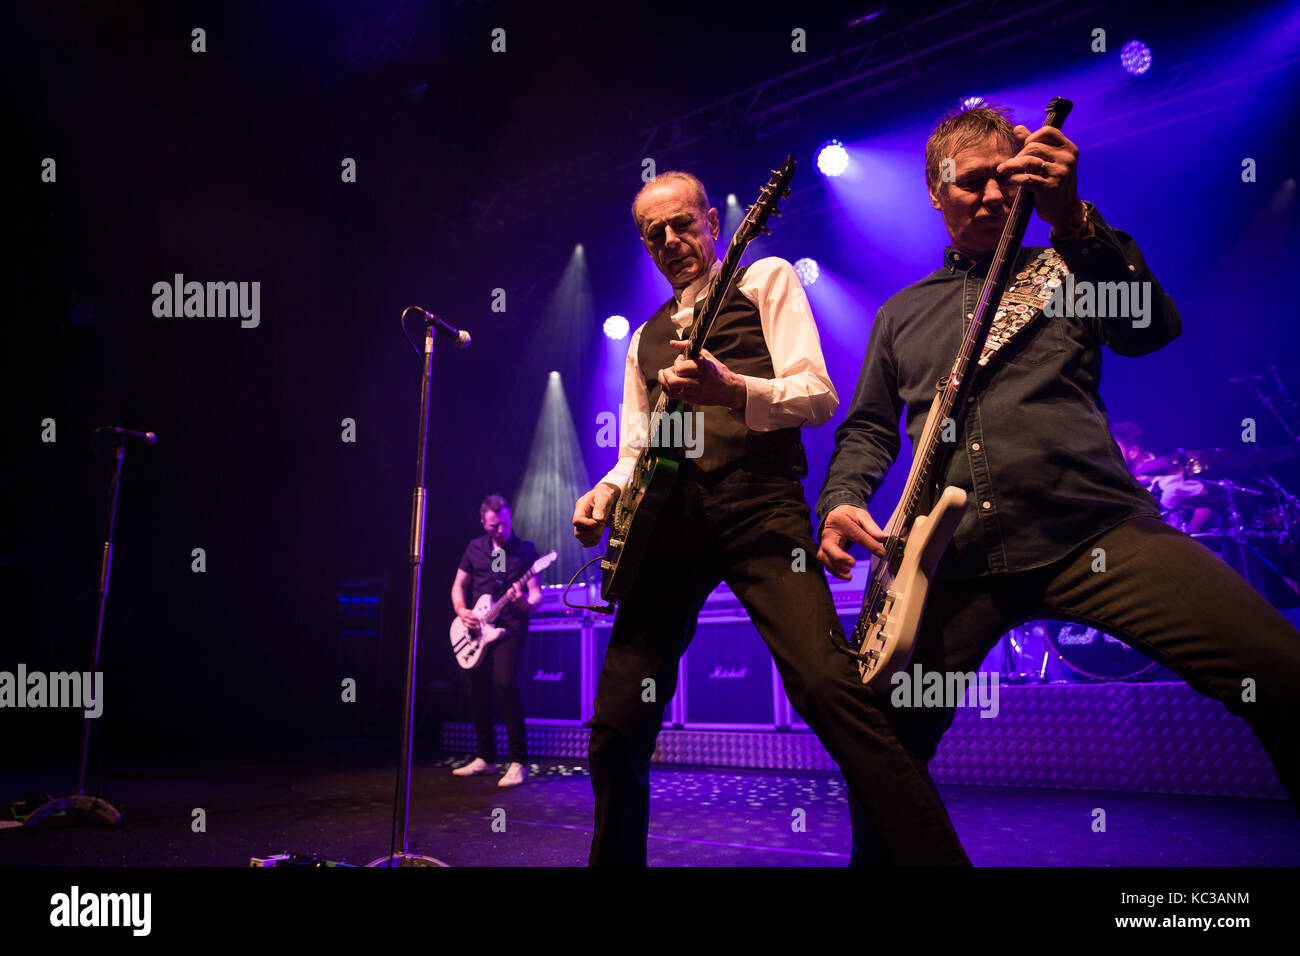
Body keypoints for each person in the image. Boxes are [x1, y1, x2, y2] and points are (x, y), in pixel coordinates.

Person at [816, 103, 1300, 863]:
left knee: (1280, 672)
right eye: (968, 183)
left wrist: (1072, 217)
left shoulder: (1072, 268)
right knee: (881, 750)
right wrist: (842, 499)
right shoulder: (900, 316)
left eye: (1006, 179)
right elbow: (870, 429)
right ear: (935, 194)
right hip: (950, 568)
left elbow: (1150, 326)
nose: (990, 196)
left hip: (1095, 533)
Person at [573, 170, 907, 866]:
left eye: (682, 223)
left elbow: (817, 394)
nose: (671, 240)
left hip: (759, 504)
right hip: (669, 526)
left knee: (827, 686)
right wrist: (605, 490)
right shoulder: (644, 338)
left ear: (712, 223)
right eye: (653, 233)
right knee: (614, 729)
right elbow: (636, 447)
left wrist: (734, 390)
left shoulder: (766, 279)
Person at [451, 494, 541, 788]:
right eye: (493, 526)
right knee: (474, 688)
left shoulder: (525, 550)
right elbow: (458, 586)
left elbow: (536, 596)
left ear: (510, 519)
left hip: (510, 626)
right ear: (483, 523)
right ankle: (485, 757)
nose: (499, 530)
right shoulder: (474, 548)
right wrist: (462, 611)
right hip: (477, 628)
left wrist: (523, 601)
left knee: (504, 683)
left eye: (503, 524)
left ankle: (519, 762)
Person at [1111, 421, 1215, 533]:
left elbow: (1205, 501)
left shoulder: (1169, 476)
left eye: (1115, 449)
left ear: (1133, 452)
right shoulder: (1117, 480)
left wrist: (1189, 535)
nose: (1110, 455)